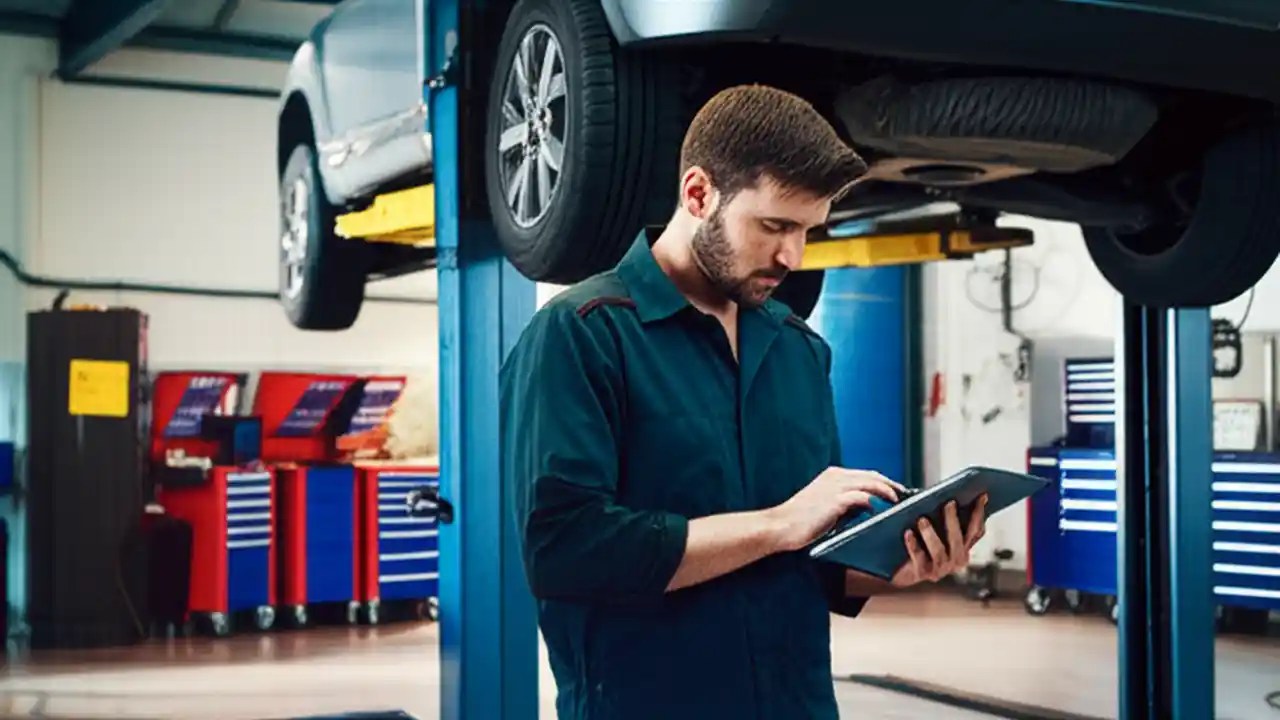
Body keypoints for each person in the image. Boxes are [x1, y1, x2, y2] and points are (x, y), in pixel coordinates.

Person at [499, 84, 989, 720]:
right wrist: (777, 524)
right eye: (775, 225)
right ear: (699, 194)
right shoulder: (582, 334)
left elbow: (812, 558)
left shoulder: (798, 351)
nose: (793, 255)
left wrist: (897, 565)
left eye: (809, 230)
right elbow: (566, 552)